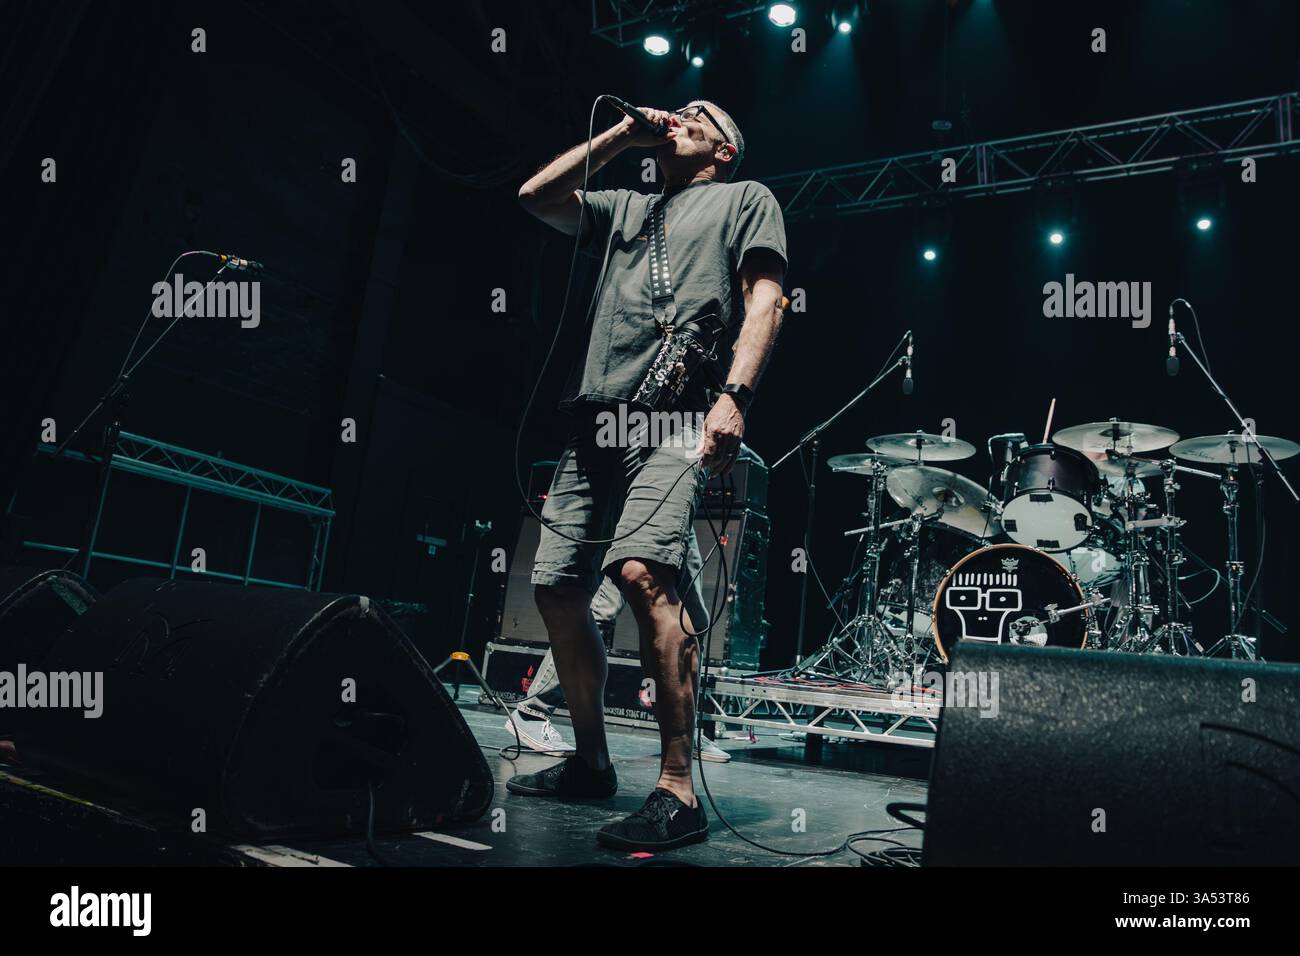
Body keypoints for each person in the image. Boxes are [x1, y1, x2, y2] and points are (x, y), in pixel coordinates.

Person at [510, 100, 787, 850]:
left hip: (674, 417)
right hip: (595, 420)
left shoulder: (743, 199)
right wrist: (623, 133)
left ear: (725, 149)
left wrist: (736, 394)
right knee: (558, 588)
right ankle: (591, 763)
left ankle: (676, 789)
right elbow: (535, 196)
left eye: (701, 116)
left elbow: (767, 297)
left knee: (641, 573)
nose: (682, 116)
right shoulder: (625, 206)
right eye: (679, 110)